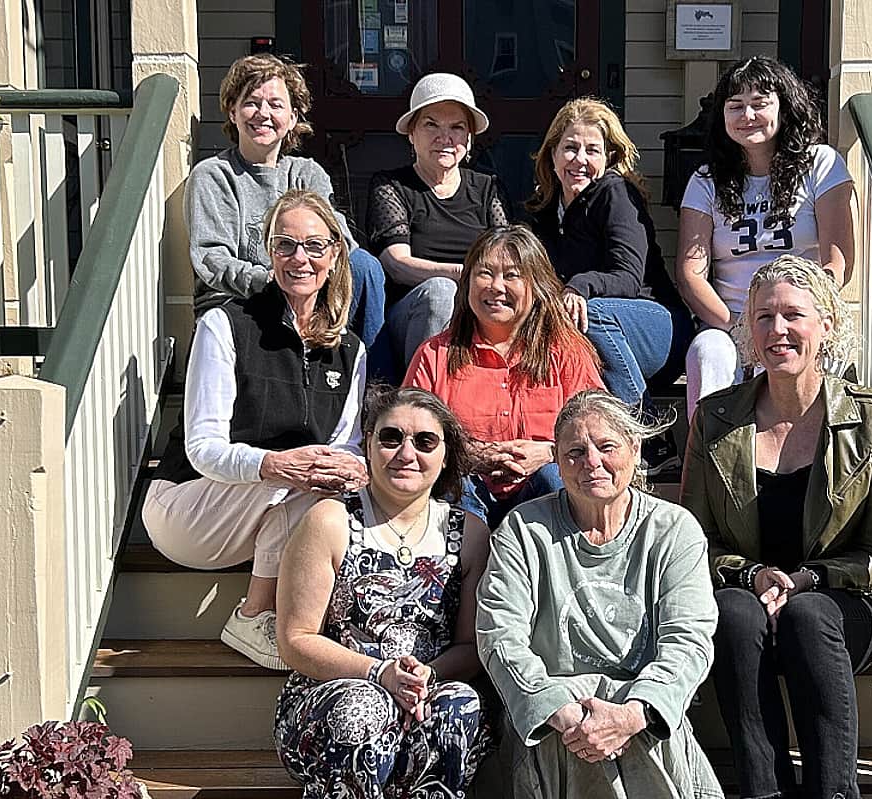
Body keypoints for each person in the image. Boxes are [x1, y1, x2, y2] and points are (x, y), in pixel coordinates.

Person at [679, 255, 872, 799]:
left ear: (826, 325)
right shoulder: (715, 419)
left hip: (840, 608)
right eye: (763, 317)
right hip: (745, 597)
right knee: (734, 614)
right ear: (749, 331)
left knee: (807, 615)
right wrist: (753, 575)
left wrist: (807, 580)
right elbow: (694, 541)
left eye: (793, 315)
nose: (777, 329)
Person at [143, 190, 368, 670]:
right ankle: (255, 613)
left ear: (334, 254)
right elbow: (202, 448)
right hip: (188, 508)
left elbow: (347, 445)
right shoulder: (225, 324)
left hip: (266, 512)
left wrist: (352, 469)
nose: (299, 259)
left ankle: (291, 618)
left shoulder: (350, 349)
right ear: (269, 252)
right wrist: (274, 465)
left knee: (328, 484)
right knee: (308, 478)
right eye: (285, 245)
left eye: (314, 245)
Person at [477, 390, 724, 799]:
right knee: (563, 737)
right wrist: (560, 711)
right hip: (559, 721)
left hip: (641, 713)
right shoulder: (524, 530)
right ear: (557, 462)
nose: (591, 461)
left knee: (648, 725)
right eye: (574, 452)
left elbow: (689, 640)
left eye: (606, 446)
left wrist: (633, 714)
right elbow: (499, 634)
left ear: (634, 448)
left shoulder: (674, 529)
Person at [273, 387, 494, 798]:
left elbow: (470, 646)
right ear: (369, 444)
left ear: (446, 453)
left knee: (460, 705)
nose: (406, 453)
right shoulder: (330, 520)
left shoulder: (470, 534)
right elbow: (296, 640)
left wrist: (426, 678)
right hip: (337, 693)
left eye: (425, 441)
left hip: (425, 689)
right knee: (364, 707)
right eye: (392, 438)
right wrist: (379, 674)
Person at [677, 56, 855, 421]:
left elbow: (837, 263)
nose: (747, 115)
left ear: (784, 107)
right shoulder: (706, 181)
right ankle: (709, 451)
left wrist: (795, 319)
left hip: (801, 319)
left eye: (759, 104)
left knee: (796, 357)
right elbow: (691, 274)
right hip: (731, 322)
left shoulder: (820, 165)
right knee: (708, 351)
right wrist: (741, 327)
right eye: (735, 106)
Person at [528, 98, 694, 474]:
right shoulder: (544, 212)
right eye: (570, 148)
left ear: (608, 157)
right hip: (594, 336)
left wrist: (578, 286)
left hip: (657, 329)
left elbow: (629, 276)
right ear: (552, 154)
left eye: (592, 150)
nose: (580, 159)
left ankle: (652, 439)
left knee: (593, 313)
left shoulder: (615, 194)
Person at [403, 225, 604, 528]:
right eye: (485, 273)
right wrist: (467, 454)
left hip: (542, 492)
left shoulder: (568, 352)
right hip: (466, 490)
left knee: (556, 477)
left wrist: (551, 452)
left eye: (511, 275)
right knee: (453, 486)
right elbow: (410, 435)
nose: (496, 287)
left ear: (536, 286)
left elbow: (599, 432)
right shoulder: (434, 354)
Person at [187, 54, 386, 349]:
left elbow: (341, 242)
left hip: (306, 292)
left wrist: (305, 276)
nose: (263, 113)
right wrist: (271, 280)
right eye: (252, 102)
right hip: (240, 301)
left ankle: (364, 370)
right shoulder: (214, 176)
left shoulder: (308, 174)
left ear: (292, 118)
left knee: (364, 266)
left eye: (275, 104)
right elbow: (212, 260)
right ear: (232, 112)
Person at [368, 72, 509, 373]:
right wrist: (459, 274)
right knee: (440, 292)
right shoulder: (390, 185)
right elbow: (396, 264)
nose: (445, 138)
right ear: (411, 133)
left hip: (480, 308)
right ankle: (427, 397)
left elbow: (507, 258)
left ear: (469, 138)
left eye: (457, 127)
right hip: (414, 314)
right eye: (431, 125)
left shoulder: (489, 188)